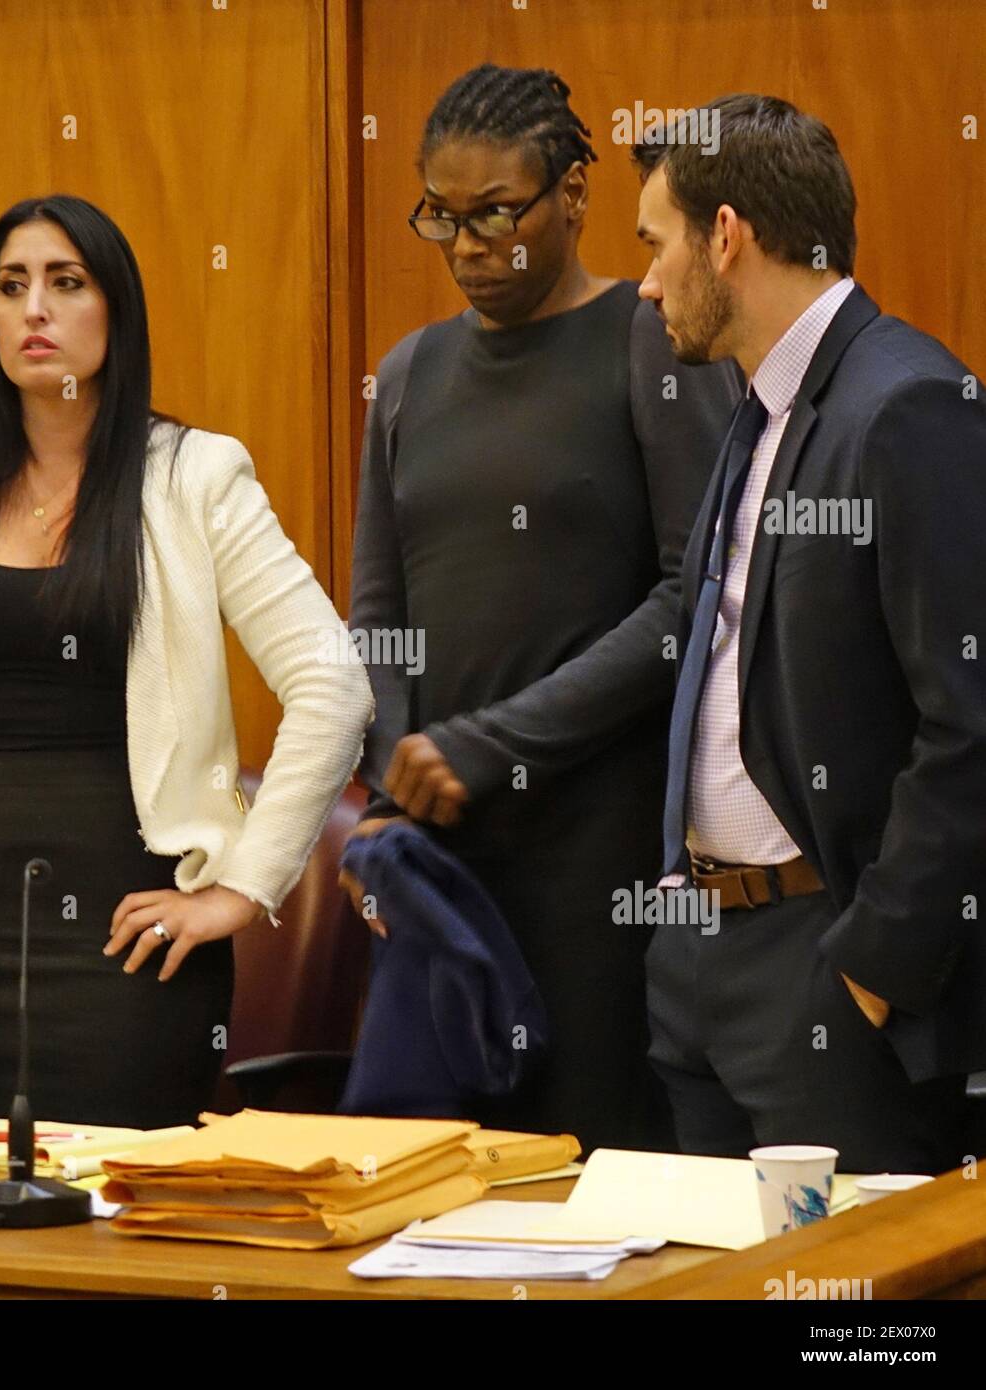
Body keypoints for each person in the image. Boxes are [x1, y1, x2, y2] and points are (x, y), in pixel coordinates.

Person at [0, 194, 373, 1130]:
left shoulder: (196, 478)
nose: (33, 308)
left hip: (130, 958)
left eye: (65, 282)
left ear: (114, 311)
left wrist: (244, 888)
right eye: (11, 287)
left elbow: (333, 682)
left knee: (115, 1247)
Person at [343, 64, 739, 1149]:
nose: (470, 245)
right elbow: (375, 613)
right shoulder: (412, 373)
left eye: (497, 213)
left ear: (572, 195)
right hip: (443, 856)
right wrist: (393, 775)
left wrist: (486, 742)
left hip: (601, 864)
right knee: (438, 1186)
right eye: (443, 216)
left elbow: (689, 602)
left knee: (591, 1184)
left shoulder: (651, 344)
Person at [637, 94, 986, 1173]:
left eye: (656, 244)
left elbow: (970, 719)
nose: (646, 282)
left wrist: (873, 965)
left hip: (823, 966)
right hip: (702, 956)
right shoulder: (759, 411)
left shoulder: (906, 406)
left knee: (848, 1331)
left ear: (726, 235)